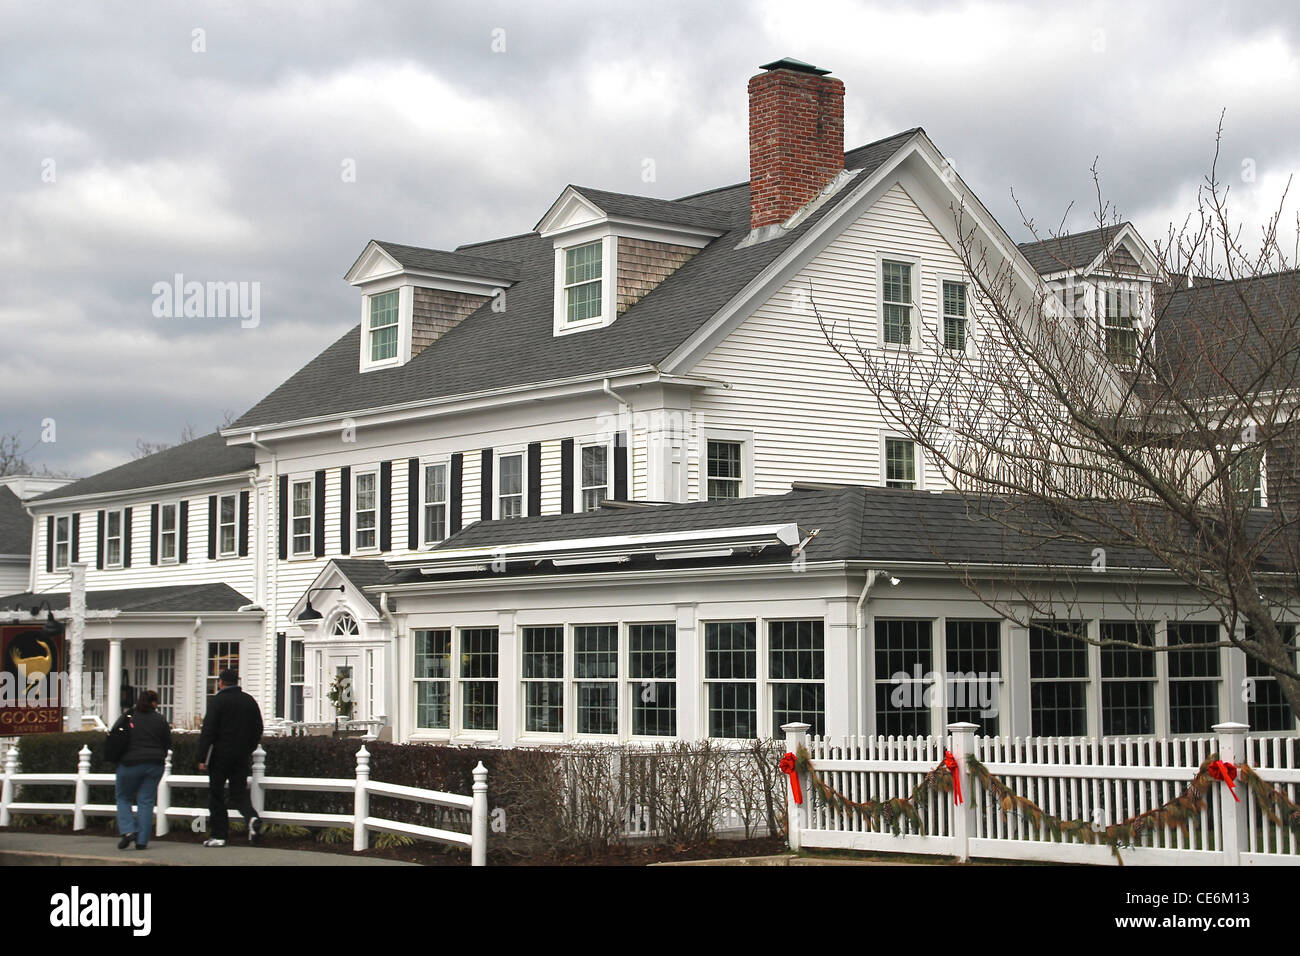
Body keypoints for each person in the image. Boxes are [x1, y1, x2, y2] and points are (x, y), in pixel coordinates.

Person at [197, 668, 264, 847]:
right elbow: (258, 728)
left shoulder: (217, 701)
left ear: (221, 682)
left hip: (219, 756)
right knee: (239, 793)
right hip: (241, 756)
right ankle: (251, 818)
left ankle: (219, 835)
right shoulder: (249, 701)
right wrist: (248, 748)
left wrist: (202, 758)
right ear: (237, 681)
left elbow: (208, 731)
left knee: (217, 795)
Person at [112, 689, 171, 850]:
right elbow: (167, 742)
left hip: (130, 764)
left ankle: (128, 829)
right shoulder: (160, 719)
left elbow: (115, 738)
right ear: (154, 703)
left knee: (123, 797)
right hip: (155, 764)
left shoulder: (129, 717)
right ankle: (142, 841)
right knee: (146, 801)